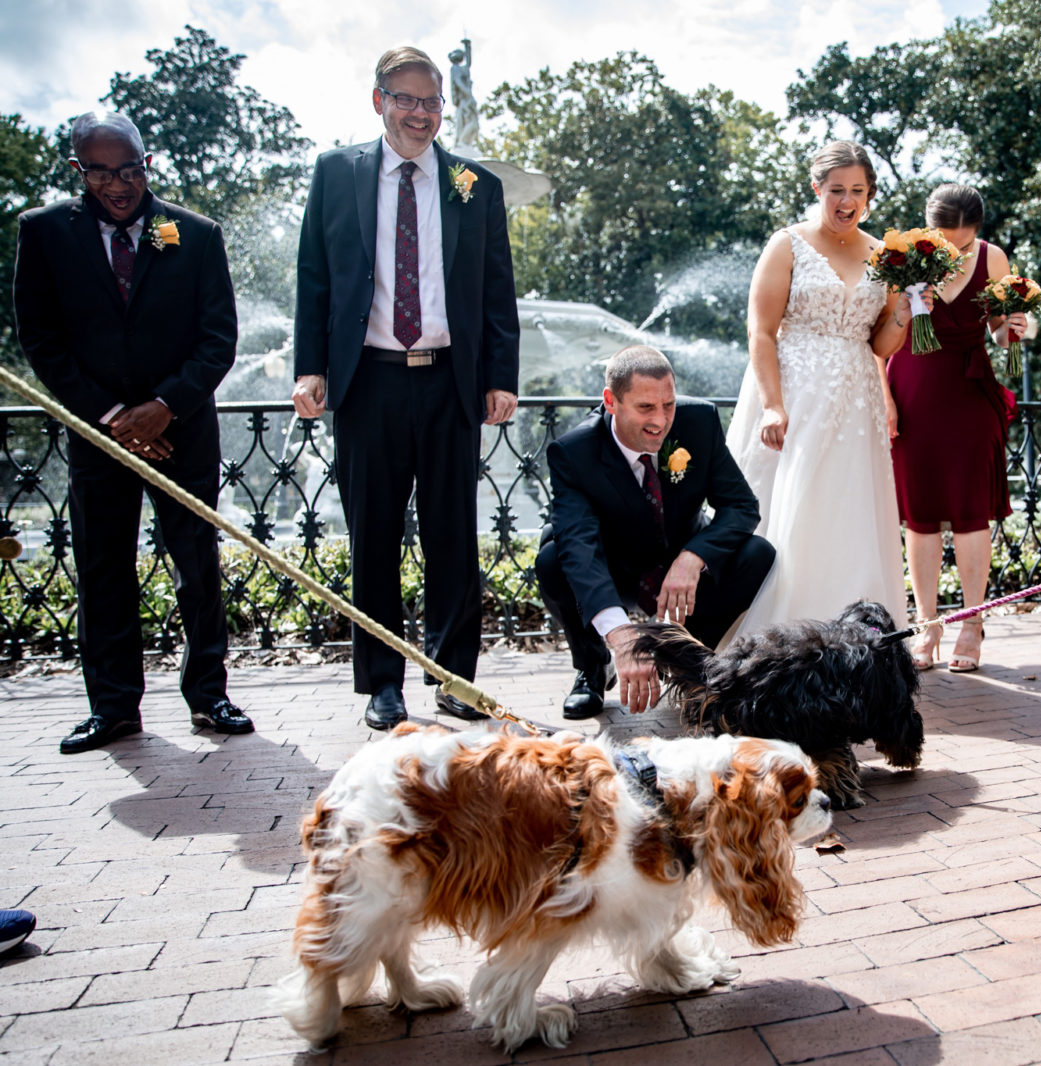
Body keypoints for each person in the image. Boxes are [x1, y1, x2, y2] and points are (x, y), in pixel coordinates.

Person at [291, 46, 519, 731]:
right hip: (369, 384)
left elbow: (497, 291)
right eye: (407, 100)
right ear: (379, 100)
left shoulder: (476, 185)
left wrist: (500, 378)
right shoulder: (337, 173)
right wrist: (310, 367)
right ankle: (381, 683)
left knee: (453, 535)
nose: (421, 114)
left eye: (432, 102)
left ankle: (455, 679)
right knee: (374, 536)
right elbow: (314, 278)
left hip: (451, 382)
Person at [14, 110, 254, 754]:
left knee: (196, 569)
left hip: (182, 433)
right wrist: (111, 416)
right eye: (100, 171)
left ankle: (209, 696)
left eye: (129, 170)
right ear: (77, 170)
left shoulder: (195, 234)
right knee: (102, 569)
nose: (118, 184)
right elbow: (40, 338)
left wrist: (164, 406)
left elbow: (217, 339)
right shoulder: (42, 233)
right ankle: (114, 708)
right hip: (99, 436)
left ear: (147, 164)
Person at [726, 141, 912, 637]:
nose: (845, 201)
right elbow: (760, 331)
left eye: (857, 191)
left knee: (850, 510)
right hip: (795, 391)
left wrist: (907, 308)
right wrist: (771, 406)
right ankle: (776, 638)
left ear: (870, 194)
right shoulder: (787, 244)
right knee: (788, 510)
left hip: (856, 401)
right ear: (817, 188)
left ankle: (853, 641)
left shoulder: (884, 254)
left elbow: (882, 344)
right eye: (836, 190)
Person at [536, 346, 774, 718]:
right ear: (611, 401)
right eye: (646, 408)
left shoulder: (699, 421)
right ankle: (592, 667)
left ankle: (684, 661)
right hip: (614, 568)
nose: (661, 421)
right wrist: (620, 637)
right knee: (553, 560)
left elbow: (741, 506)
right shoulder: (574, 452)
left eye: (668, 405)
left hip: (678, 566)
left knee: (758, 555)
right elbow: (580, 547)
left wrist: (693, 558)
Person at [885, 184, 1025, 672]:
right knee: (920, 518)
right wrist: (886, 402)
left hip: (968, 392)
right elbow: (879, 336)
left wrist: (1014, 330)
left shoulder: (992, 259)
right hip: (912, 387)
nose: (954, 252)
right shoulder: (900, 258)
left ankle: (972, 621)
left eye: (963, 245)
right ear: (928, 229)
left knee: (970, 514)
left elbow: (1000, 329)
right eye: (945, 242)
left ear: (978, 235)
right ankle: (927, 624)